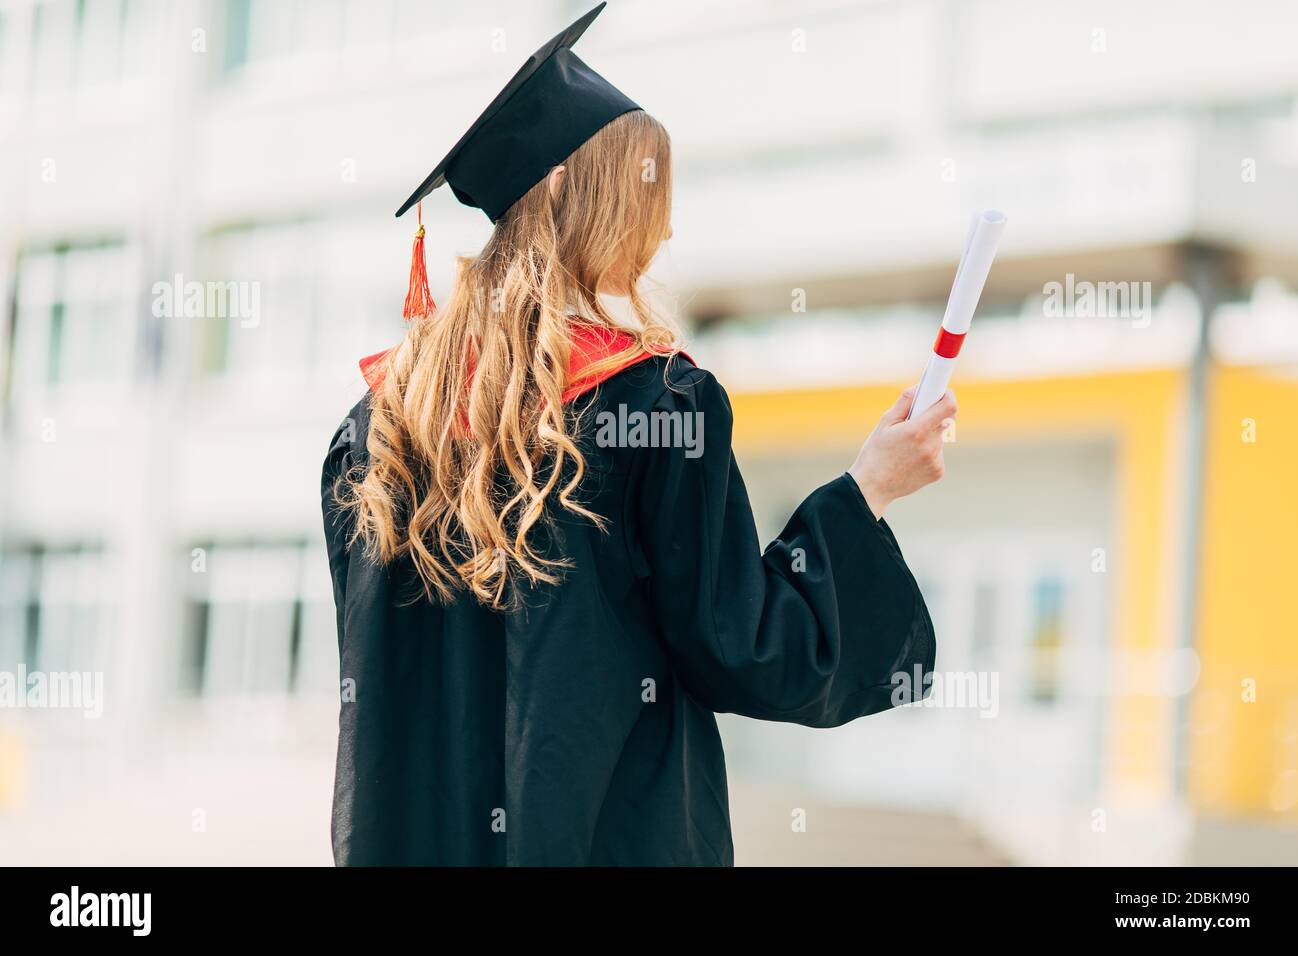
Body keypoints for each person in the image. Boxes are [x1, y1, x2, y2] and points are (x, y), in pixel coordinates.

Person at [320, 3, 955, 866]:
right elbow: (743, 646)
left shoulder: (378, 428)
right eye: (648, 193)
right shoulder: (658, 408)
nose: (663, 228)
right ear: (587, 201)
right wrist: (867, 492)